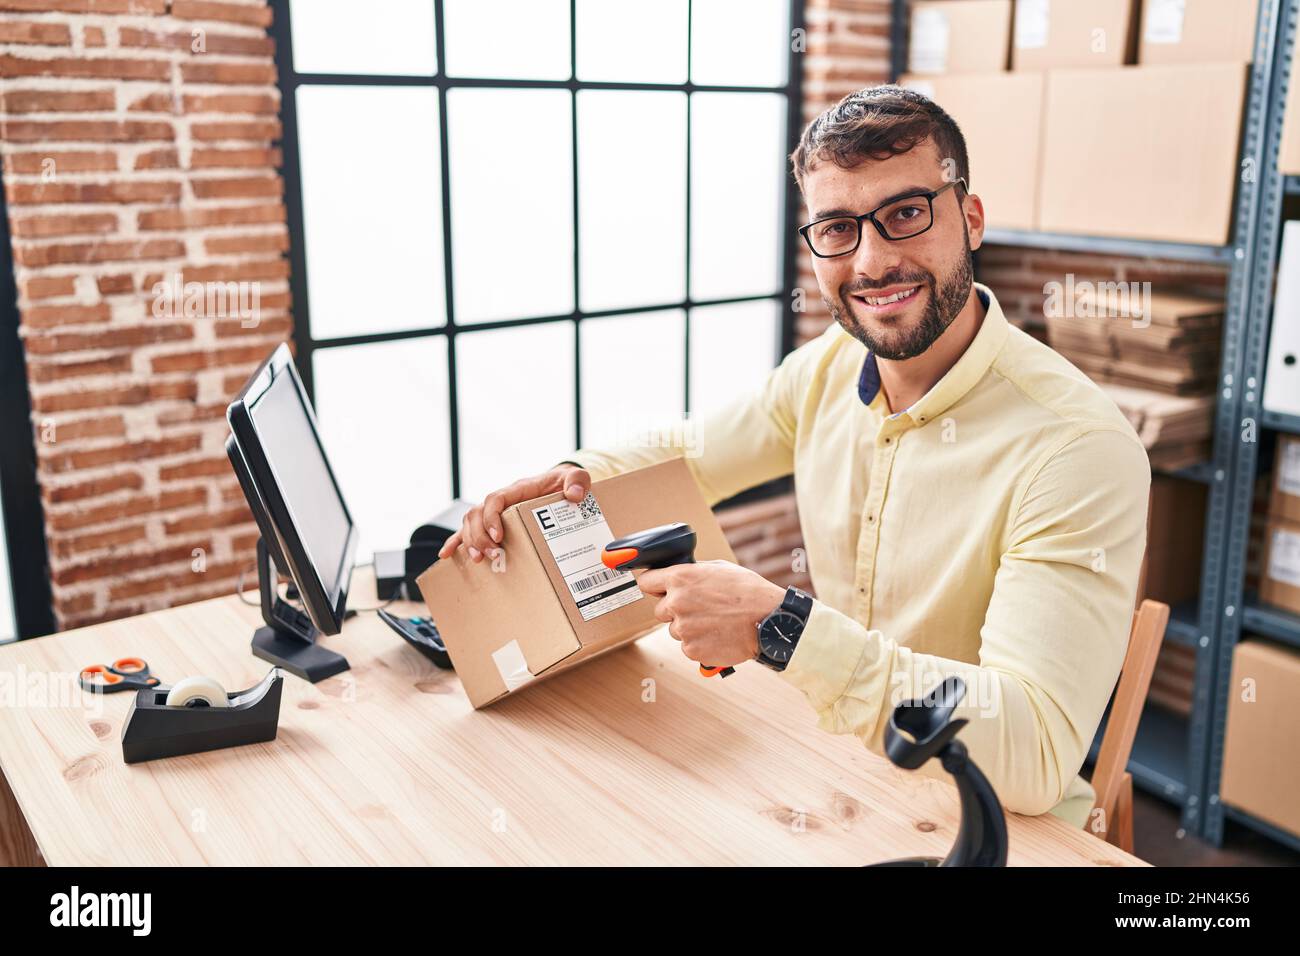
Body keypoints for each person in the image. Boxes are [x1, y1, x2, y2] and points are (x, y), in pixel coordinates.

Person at [438, 85, 1151, 828]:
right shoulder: (830, 366)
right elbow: (691, 453)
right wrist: (570, 476)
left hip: (994, 827)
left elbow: (1032, 752)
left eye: (906, 214)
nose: (874, 262)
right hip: (838, 775)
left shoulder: (1075, 448)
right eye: (839, 228)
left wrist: (784, 628)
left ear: (970, 219)